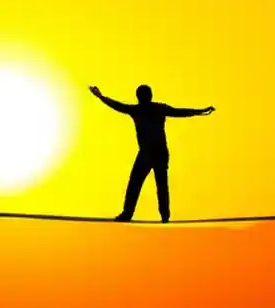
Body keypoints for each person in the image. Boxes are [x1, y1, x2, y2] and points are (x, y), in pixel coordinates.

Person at [89, 84, 214, 222]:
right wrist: (201, 111)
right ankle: (161, 215)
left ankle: (132, 213)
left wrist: (100, 96)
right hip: (155, 152)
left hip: (149, 153)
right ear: (149, 96)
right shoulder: (155, 109)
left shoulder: (140, 109)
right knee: (157, 184)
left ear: (138, 97)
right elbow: (180, 112)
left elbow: (118, 106)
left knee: (140, 184)